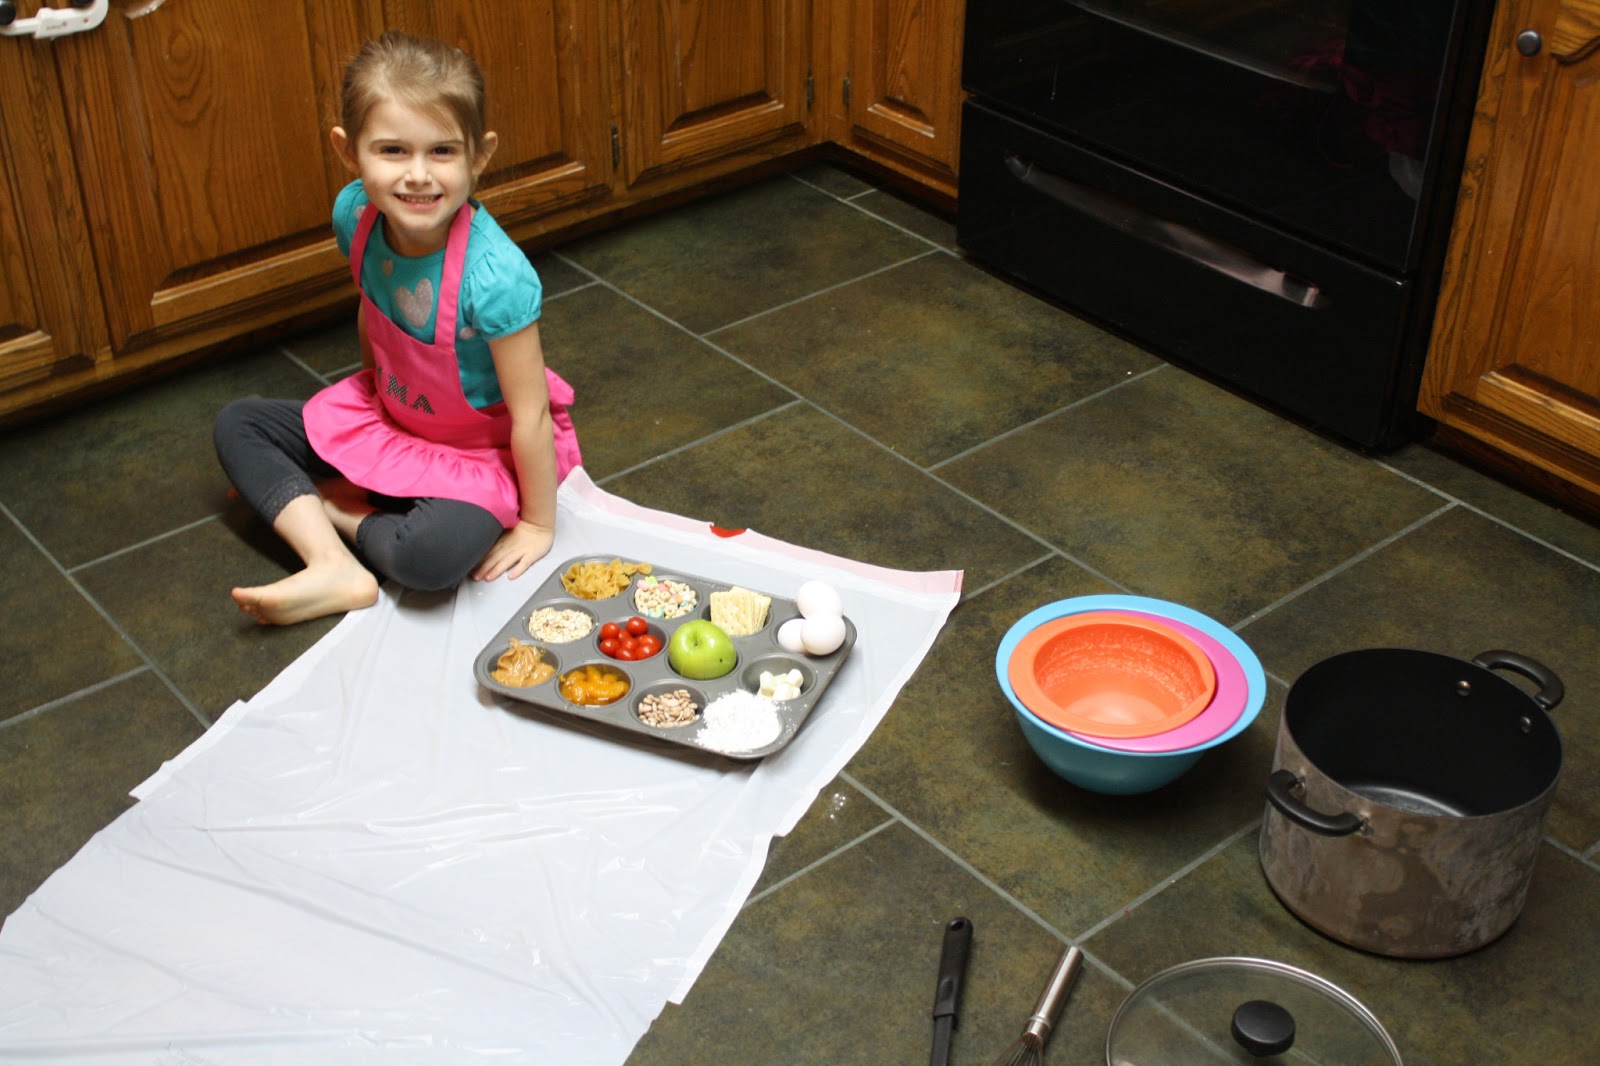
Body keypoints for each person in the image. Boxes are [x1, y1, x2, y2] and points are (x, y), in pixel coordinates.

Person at [214, 31, 581, 626]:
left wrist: (538, 523)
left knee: (431, 557)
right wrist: (366, 411)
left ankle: (333, 513)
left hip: (476, 454)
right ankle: (333, 566)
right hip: (394, 418)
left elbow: (531, 414)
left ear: (479, 156)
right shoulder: (355, 215)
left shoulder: (495, 276)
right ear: (348, 152)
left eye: (442, 151)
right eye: (391, 151)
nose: (418, 176)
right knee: (239, 424)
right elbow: (373, 304)